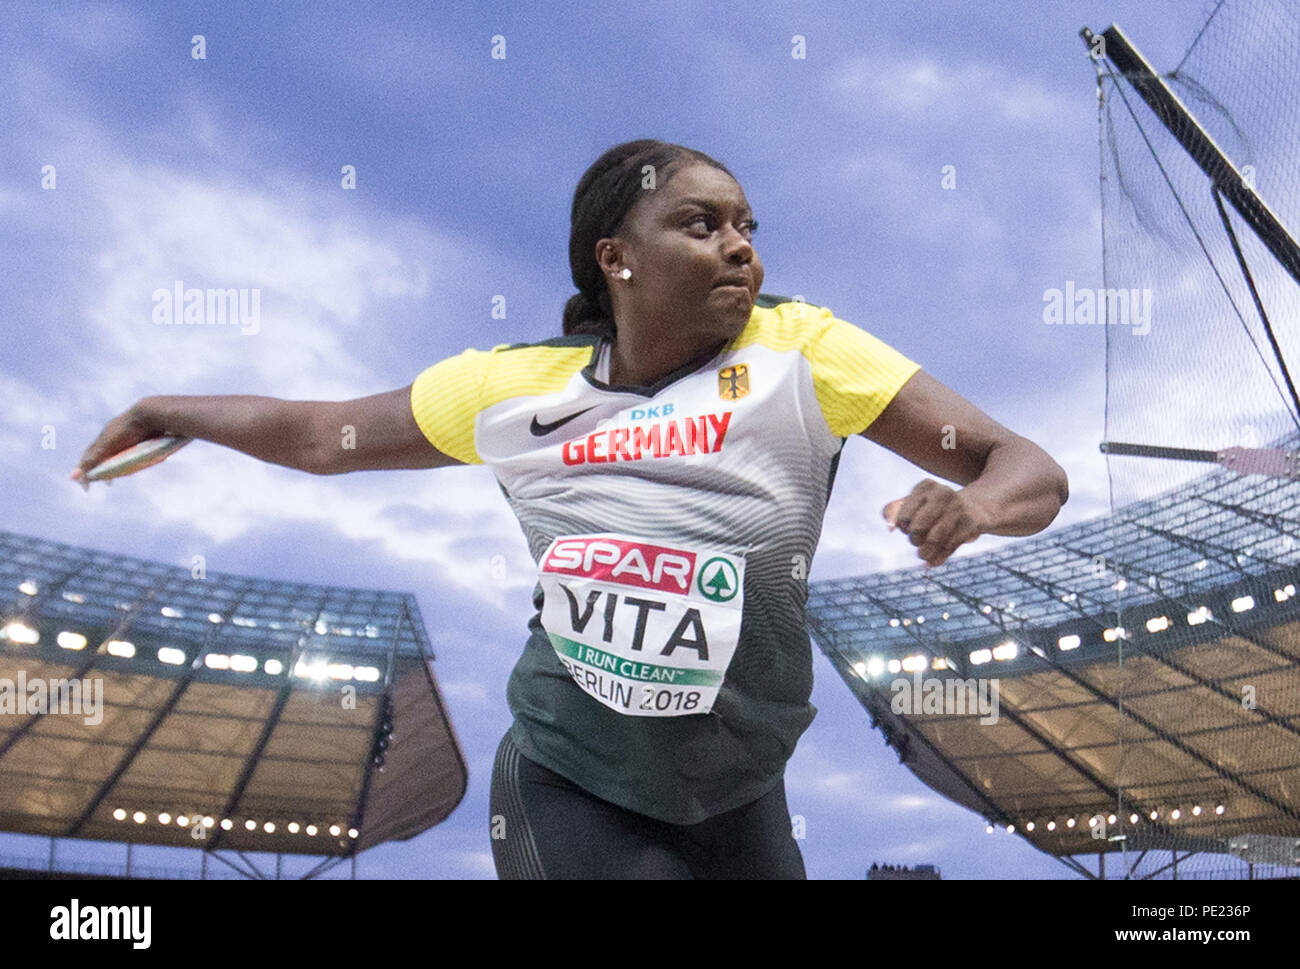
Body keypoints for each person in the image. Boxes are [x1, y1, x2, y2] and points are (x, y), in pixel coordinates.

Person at [73, 138, 1069, 880]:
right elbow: (317, 434)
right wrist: (174, 410)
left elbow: (1024, 463)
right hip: (574, 776)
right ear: (614, 257)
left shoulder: (803, 355)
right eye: (701, 225)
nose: (739, 250)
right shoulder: (514, 391)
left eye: (746, 228)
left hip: (740, 784)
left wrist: (976, 509)